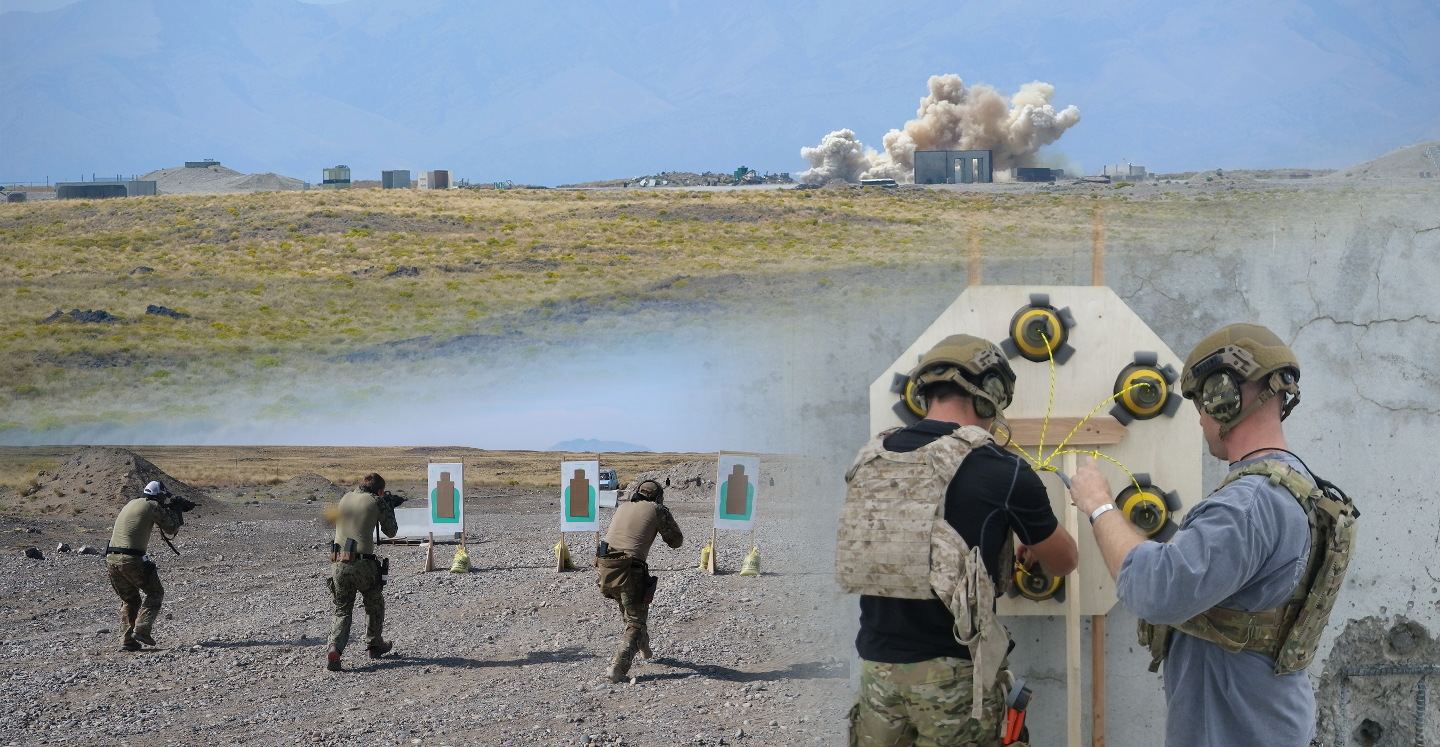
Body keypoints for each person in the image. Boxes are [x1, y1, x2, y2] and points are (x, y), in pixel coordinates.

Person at [1069, 323, 1357, 747]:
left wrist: (1099, 505)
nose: (1201, 417)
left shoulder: (1249, 503)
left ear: (1224, 395)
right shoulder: (1293, 485)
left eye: (1201, 401)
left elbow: (1156, 590)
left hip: (1237, 732)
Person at [837, 334, 1079, 747]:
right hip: (952, 682)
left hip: (876, 672)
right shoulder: (1002, 470)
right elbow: (1062, 561)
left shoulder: (871, 457)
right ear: (988, 394)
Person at [595, 479, 683, 683]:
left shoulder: (624, 506)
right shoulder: (656, 509)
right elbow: (676, 541)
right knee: (634, 621)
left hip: (605, 566)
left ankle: (644, 648)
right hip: (630, 569)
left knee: (631, 614)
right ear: (657, 496)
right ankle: (618, 666)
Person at [325, 472, 400, 672]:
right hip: (363, 565)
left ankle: (335, 649)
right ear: (379, 490)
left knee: (342, 610)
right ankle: (374, 645)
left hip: (338, 563)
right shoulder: (376, 500)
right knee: (374, 602)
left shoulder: (345, 497)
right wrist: (387, 506)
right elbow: (391, 531)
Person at [105, 480, 185, 651]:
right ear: (158, 495)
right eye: (163, 496)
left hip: (112, 559)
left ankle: (127, 640)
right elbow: (171, 528)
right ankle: (142, 630)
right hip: (131, 559)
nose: (164, 500)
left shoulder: (132, 503)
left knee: (130, 599)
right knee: (155, 592)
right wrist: (177, 512)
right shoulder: (152, 506)